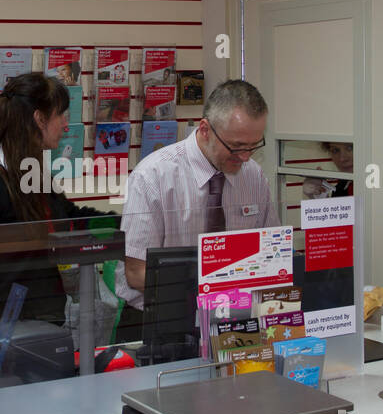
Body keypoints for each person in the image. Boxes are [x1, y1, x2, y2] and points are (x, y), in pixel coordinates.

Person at [116, 79, 279, 340]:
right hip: (160, 322)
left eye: (253, 146)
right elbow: (136, 273)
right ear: (205, 129)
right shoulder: (153, 175)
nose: (246, 156)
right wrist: (208, 285)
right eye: (236, 146)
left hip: (232, 318)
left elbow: (270, 256)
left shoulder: (254, 177)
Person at [0, 72, 102, 322]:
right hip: (2, 334)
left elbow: (69, 219)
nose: (66, 125)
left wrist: (125, 224)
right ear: (39, 119)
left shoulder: (33, 174)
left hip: (43, 326)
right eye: (60, 115)